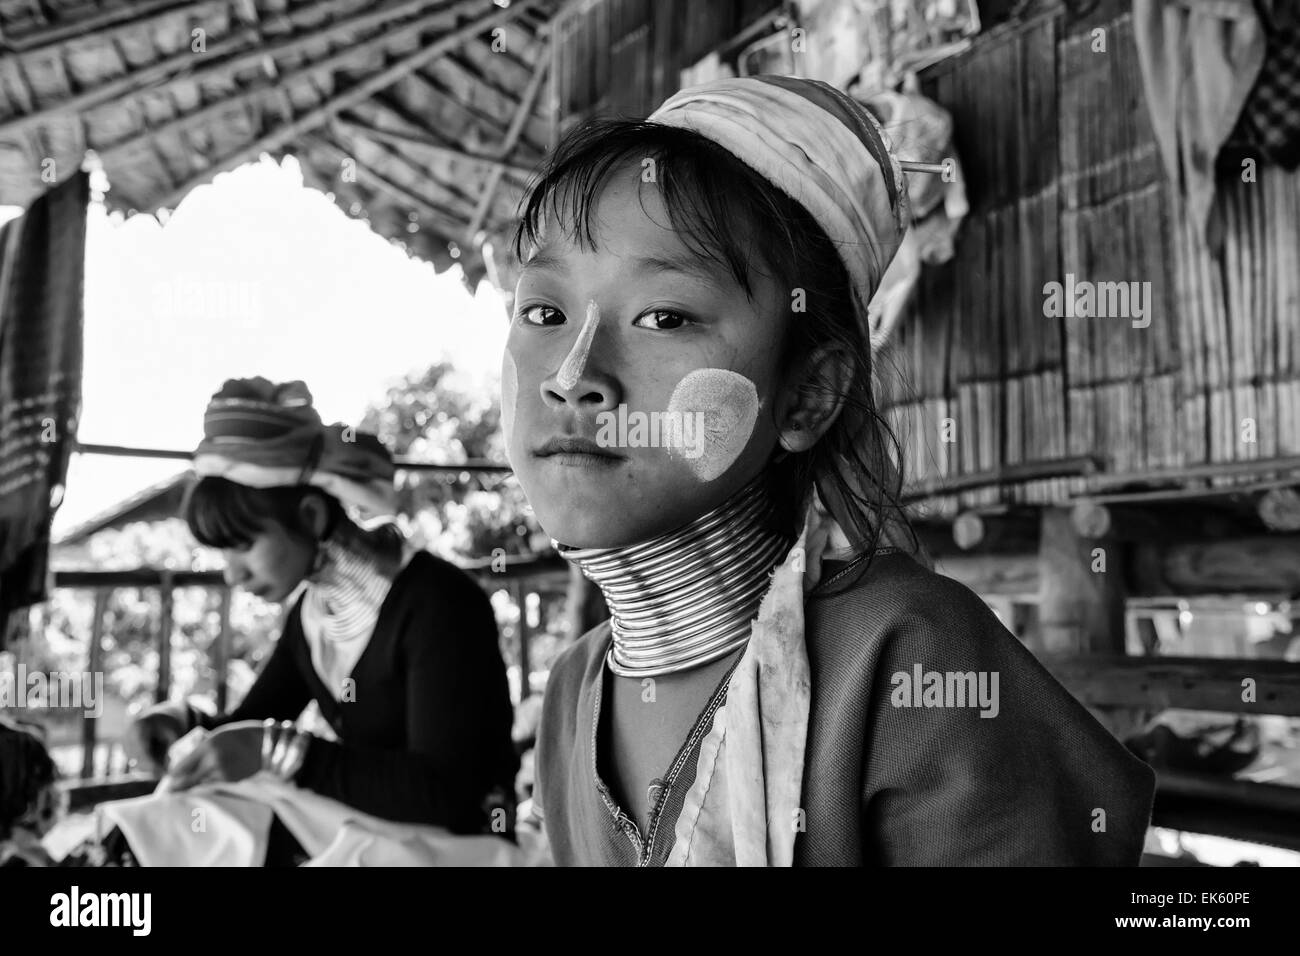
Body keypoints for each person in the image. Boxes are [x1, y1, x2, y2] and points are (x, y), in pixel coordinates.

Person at [504, 75, 1157, 865]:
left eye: (664, 317)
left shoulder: (910, 664)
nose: (572, 375)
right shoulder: (575, 693)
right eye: (545, 313)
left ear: (808, 394)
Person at [125, 377, 518, 836]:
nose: (232, 574)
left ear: (311, 516)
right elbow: (248, 728)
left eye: (244, 545)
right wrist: (178, 722)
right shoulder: (310, 617)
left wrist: (278, 752)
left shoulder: (440, 604)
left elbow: (448, 794)